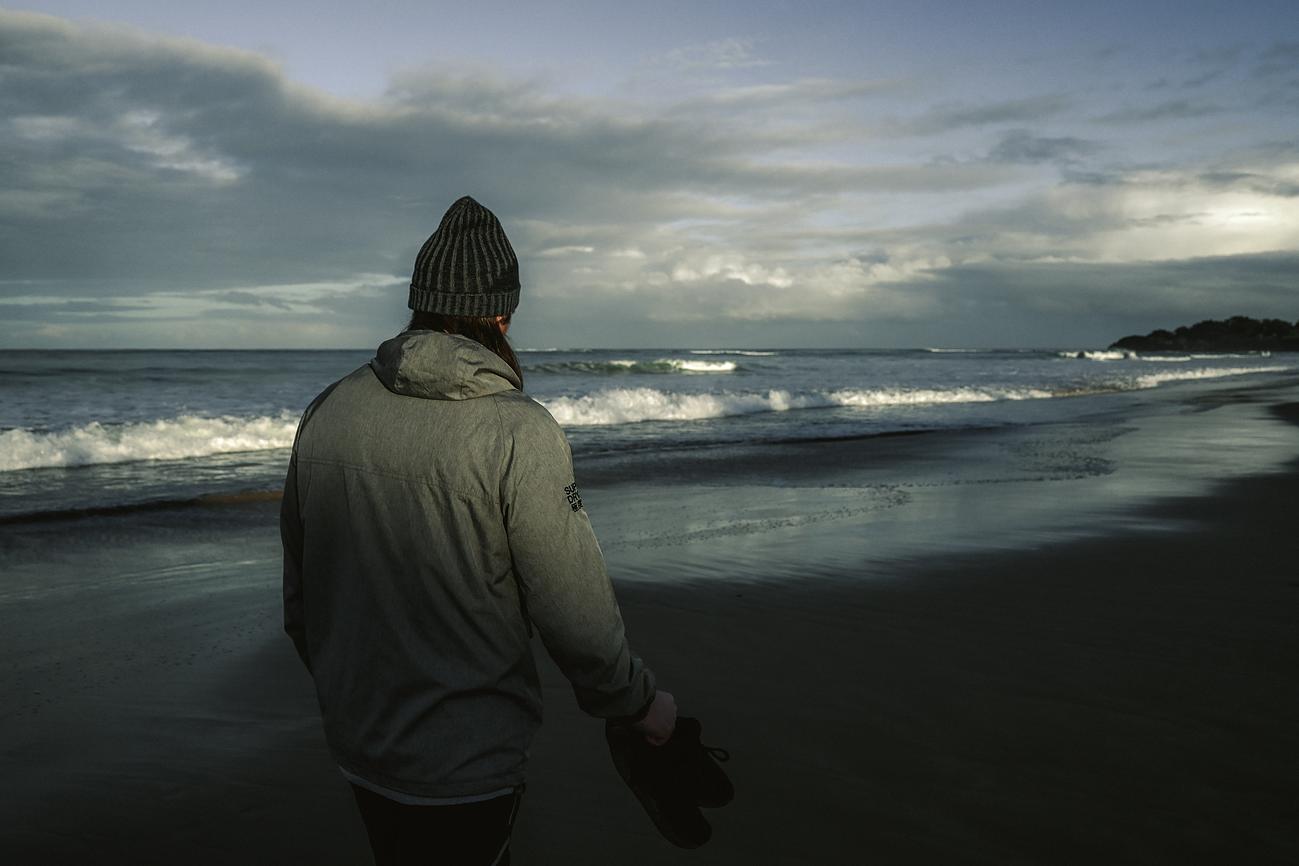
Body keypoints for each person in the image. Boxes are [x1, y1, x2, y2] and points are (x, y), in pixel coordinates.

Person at [280, 195, 676, 865]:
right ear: (500, 315)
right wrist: (635, 704)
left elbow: (302, 597)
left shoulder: (331, 406)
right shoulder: (518, 430)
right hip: (465, 760)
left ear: (419, 303)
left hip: (359, 742)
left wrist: (350, 693)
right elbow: (572, 609)